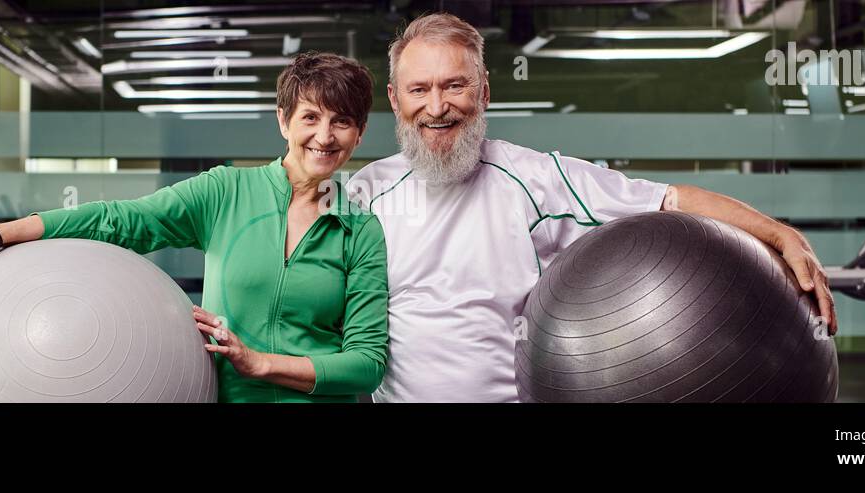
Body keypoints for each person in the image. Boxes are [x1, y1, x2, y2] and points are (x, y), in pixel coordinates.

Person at [349, 13, 837, 403]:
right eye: (420, 89)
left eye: (455, 85)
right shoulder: (367, 194)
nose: (437, 107)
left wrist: (778, 235)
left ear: (485, 92)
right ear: (395, 99)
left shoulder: (537, 179)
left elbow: (668, 201)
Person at [0, 52, 389, 403]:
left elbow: (366, 364)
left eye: (342, 122)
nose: (325, 137)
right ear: (283, 121)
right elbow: (120, 221)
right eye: (310, 117)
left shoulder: (360, 230)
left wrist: (260, 363)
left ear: (359, 133)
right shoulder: (226, 192)